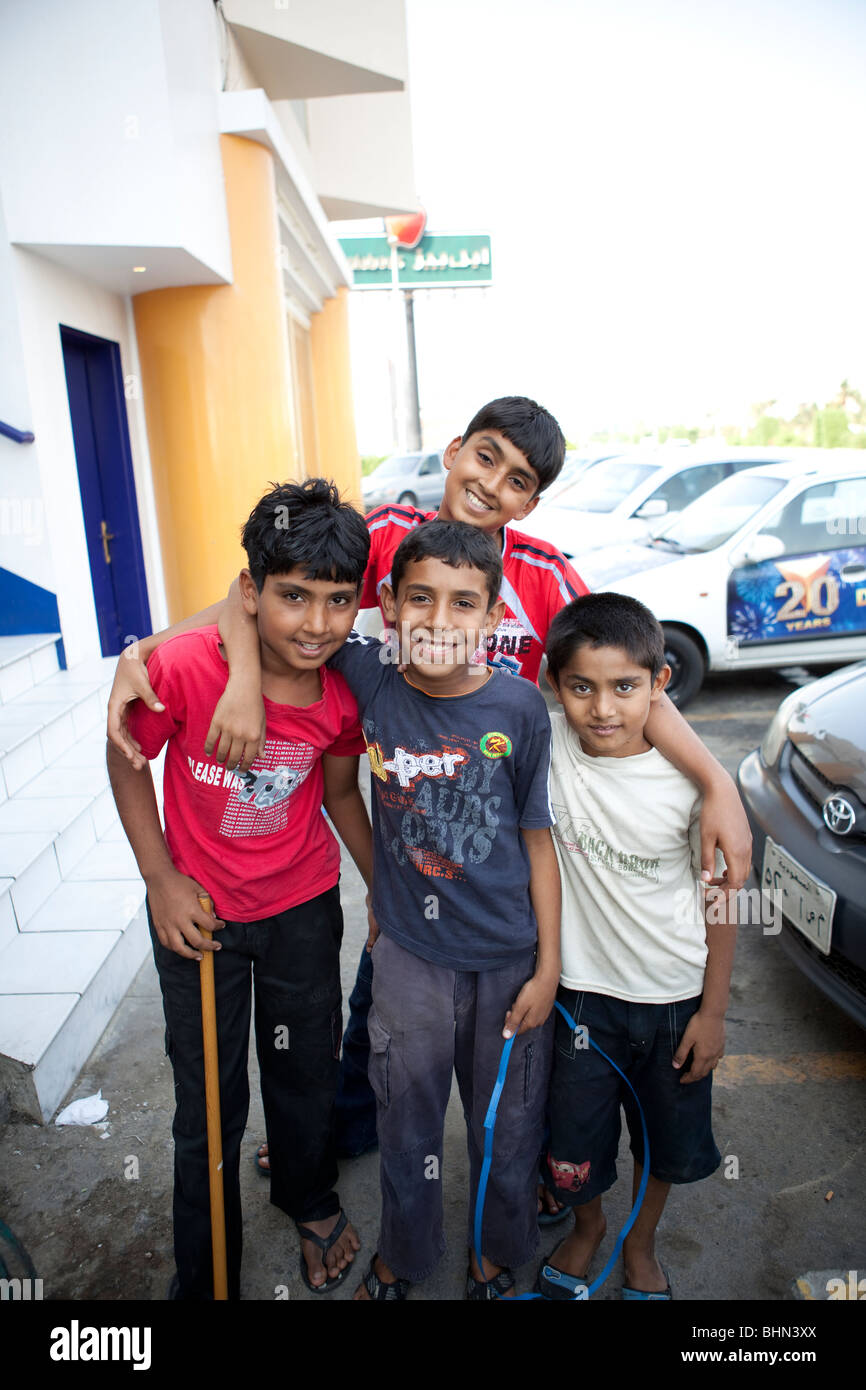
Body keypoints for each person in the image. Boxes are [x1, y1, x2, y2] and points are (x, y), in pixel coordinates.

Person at [105, 396, 752, 1170]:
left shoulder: (542, 576)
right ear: (453, 452)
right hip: (411, 837)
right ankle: (339, 1137)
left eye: (517, 480)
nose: (491, 485)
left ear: (532, 502)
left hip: (504, 841)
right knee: (380, 1007)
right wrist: (151, 657)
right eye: (485, 457)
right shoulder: (383, 537)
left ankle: (533, 1167)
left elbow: (619, 660)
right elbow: (253, 596)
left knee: (522, 1027)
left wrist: (715, 779)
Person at [106, 479, 374, 1299]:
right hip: (200, 920)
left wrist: (385, 892)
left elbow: (337, 792)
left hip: (302, 909)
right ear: (252, 593)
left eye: (338, 600)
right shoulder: (187, 668)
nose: (318, 624)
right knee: (208, 1100)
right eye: (294, 596)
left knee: (302, 1074)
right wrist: (160, 878)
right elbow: (125, 756)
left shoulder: (344, 693)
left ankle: (309, 1198)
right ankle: (207, 1257)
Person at [327, 519, 561, 1298]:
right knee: (407, 1119)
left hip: (507, 961)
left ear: (495, 618)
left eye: (465, 603)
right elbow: (258, 607)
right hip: (408, 961)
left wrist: (549, 969)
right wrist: (381, 892)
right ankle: (405, 1254)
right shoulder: (370, 680)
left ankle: (495, 1253)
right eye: (419, 598)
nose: (438, 620)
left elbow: (537, 843)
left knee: (509, 1122)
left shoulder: (521, 710)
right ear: (387, 605)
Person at [538, 592, 737, 1300]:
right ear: (553, 686)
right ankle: (588, 1228)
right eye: (581, 687)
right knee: (572, 1144)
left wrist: (713, 1015)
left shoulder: (690, 786)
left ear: (660, 685)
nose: (603, 709)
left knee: (663, 1140)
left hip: (676, 1001)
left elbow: (721, 900)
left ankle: (641, 1242)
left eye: (626, 687)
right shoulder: (549, 739)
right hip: (583, 1000)